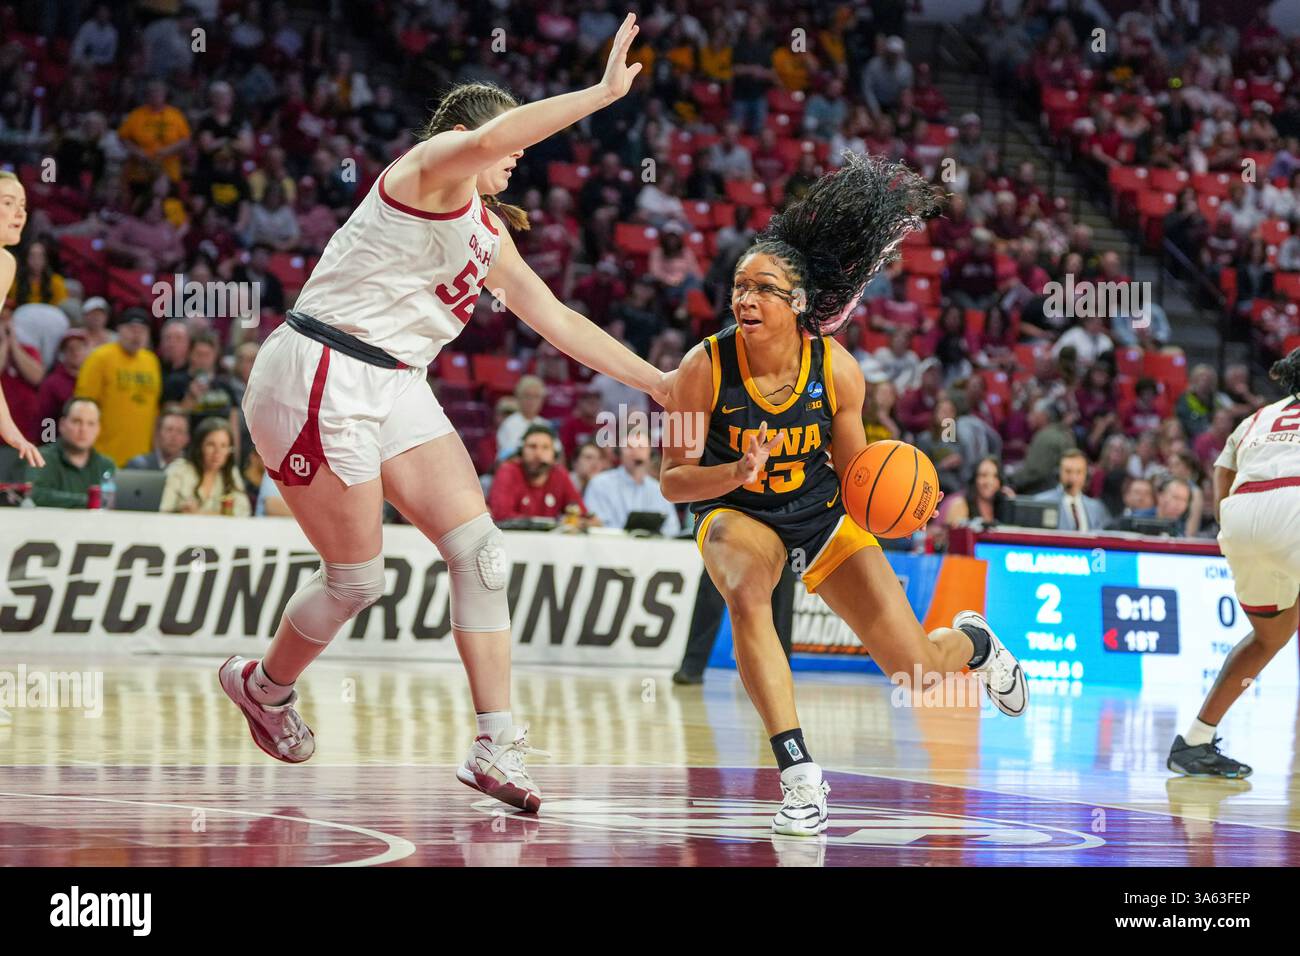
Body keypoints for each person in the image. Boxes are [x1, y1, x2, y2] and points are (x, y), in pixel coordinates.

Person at [225, 20, 670, 815]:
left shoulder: (488, 232)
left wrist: (659, 384)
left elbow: (558, 320)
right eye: (504, 146)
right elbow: (500, 134)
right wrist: (602, 95)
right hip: (320, 370)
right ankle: (264, 686)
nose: (517, 157)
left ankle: (495, 746)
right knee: (359, 579)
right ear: (469, 137)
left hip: (392, 381)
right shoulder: (425, 171)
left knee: (481, 551)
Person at [660, 153, 1027, 837]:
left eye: (763, 288)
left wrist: (902, 498)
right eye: (740, 286)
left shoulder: (840, 372)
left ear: (799, 303)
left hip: (821, 515)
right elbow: (673, 479)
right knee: (745, 589)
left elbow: (860, 481)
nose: (745, 298)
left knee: (917, 672)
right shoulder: (700, 370)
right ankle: (798, 773)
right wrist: (734, 476)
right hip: (734, 512)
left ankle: (973, 647)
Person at [1169, 348, 1300, 778]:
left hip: (1242, 517)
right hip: (1293, 502)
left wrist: (1230, 520)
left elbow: (1221, 471)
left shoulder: (1260, 416)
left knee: (1269, 637)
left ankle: (1195, 741)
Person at [74, 308, 163, 466]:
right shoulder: (100, 357)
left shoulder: (151, 361)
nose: (136, 335)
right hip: (103, 454)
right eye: (131, 329)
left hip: (142, 457)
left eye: (142, 330)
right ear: (118, 330)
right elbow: (83, 406)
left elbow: (155, 411)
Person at [0, 171, 43, 469]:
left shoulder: (6, 264)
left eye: (23, 205)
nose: (19, 213)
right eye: (8, 202)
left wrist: (9, 429)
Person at [19, 397, 115, 509]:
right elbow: (36, 495)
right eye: (76, 421)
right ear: (62, 424)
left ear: (98, 429)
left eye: (91, 423)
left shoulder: (106, 465)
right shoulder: (42, 457)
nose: (83, 429)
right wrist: (91, 502)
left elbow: (115, 501)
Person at [582, 426, 680, 533]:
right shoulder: (600, 484)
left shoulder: (659, 490)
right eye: (629, 447)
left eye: (641, 447)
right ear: (619, 451)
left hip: (652, 547)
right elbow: (595, 526)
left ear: (650, 452)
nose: (635, 452)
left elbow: (672, 529)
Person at [487, 423, 588, 522]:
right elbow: (501, 516)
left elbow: (583, 516)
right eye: (532, 446)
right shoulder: (508, 471)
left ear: (555, 455)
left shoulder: (559, 474)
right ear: (521, 452)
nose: (538, 454)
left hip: (549, 538)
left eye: (545, 447)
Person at [159, 416, 251, 516]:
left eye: (223, 446)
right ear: (199, 446)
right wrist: (180, 512)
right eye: (211, 445)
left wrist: (199, 513)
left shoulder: (231, 472)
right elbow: (163, 510)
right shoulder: (178, 471)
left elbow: (244, 512)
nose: (217, 452)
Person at [1030, 449, 1110, 532]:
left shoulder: (1096, 507)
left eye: (1079, 472)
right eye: (1068, 472)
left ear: (1086, 474)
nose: (1073, 478)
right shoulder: (1041, 503)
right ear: (1059, 472)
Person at [127, 408, 191, 470]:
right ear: (158, 433)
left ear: (187, 438)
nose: (173, 436)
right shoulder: (138, 466)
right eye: (169, 430)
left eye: (179, 431)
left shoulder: (192, 469)